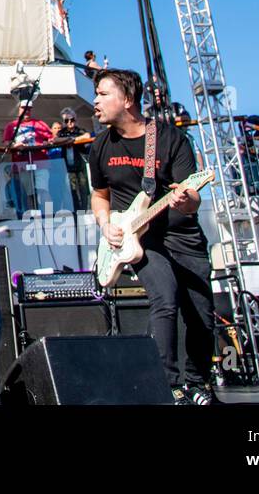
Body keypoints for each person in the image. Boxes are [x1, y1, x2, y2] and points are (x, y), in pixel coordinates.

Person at [89, 68, 215, 406]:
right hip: (141, 239)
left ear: (127, 99)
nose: (95, 101)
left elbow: (192, 197)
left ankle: (199, 385)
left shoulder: (170, 139)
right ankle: (168, 386)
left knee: (201, 312)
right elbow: (99, 194)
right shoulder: (100, 145)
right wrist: (105, 225)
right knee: (165, 297)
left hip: (181, 233)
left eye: (102, 93)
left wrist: (186, 200)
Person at [1, 112, 54, 213]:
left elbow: (51, 139)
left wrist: (45, 143)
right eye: (24, 108)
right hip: (22, 165)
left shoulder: (40, 124)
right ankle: (33, 217)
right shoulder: (11, 125)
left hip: (41, 163)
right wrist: (16, 145)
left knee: (43, 190)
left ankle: (49, 215)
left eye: (29, 108)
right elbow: (7, 144)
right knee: (29, 193)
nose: (26, 111)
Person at [51, 107, 91, 211]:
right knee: (72, 190)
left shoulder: (80, 130)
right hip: (68, 167)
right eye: (66, 120)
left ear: (75, 120)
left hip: (80, 165)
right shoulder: (62, 132)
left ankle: (85, 210)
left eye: (72, 120)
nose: (70, 122)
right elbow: (55, 140)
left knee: (83, 188)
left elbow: (87, 135)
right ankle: (77, 211)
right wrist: (68, 140)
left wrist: (73, 140)